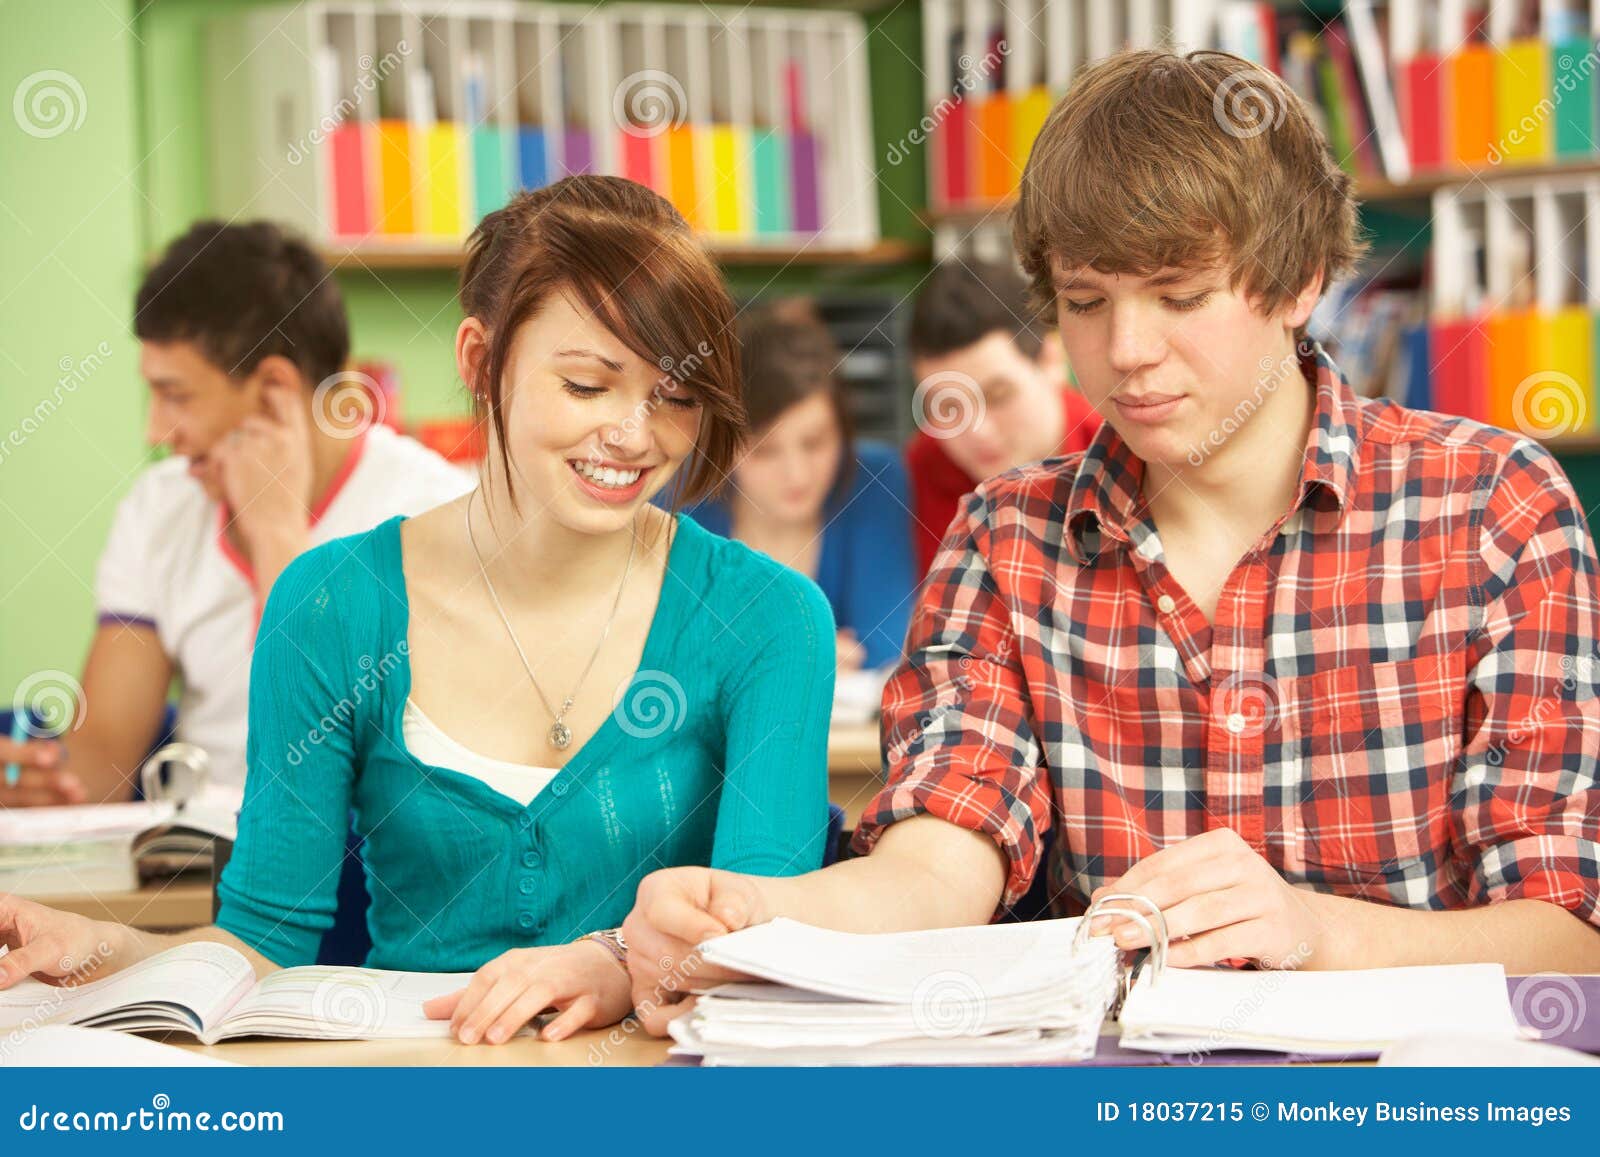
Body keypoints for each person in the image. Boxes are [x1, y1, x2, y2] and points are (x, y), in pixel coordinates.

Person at [621, 50, 1600, 1032]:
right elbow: (940, 858)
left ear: (1301, 280)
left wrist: (1314, 930)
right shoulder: (1007, 537)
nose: (1126, 350)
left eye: (1178, 296)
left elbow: (1567, 937)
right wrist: (761, 918)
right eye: (1086, 301)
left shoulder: (1493, 510)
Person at [0, 176, 836, 1047]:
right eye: (588, 386)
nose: (635, 434)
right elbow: (260, 941)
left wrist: (619, 958)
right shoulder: (331, 603)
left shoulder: (770, 618)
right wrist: (97, 945)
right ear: (480, 361)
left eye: (676, 396)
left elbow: (758, 946)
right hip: (411, 1091)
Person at [0, 221, 472, 806]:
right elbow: (103, 755)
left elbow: (352, 767)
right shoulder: (161, 505)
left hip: (362, 871)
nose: (156, 432)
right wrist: (44, 786)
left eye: (177, 397)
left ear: (273, 389)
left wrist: (277, 534)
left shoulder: (439, 511)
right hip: (196, 865)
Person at [684, 302, 915, 671]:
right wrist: (807, 652)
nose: (797, 474)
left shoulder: (874, 479)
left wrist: (742, 655)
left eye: (815, 443)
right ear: (722, 448)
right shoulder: (685, 493)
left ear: (844, 432)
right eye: (765, 451)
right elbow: (669, 655)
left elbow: (886, 649)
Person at [905, 260, 1102, 574]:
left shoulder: (1123, 451)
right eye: (949, 408)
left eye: (998, 396)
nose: (977, 432)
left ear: (1051, 362)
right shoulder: (921, 467)